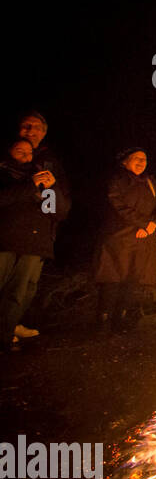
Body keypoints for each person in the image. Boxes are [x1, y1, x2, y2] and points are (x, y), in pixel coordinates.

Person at [93, 148, 156, 333]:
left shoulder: (150, 181)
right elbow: (117, 204)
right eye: (136, 158)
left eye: (144, 159)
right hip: (119, 237)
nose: (141, 162)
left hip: (144, 239)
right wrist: (144, 224)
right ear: (124, 162)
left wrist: (152, 225)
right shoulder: (116, 180)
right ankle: (103, 322)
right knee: (113, 279)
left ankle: (122, 320)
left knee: (133, 279)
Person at [1, 140, 67, 349]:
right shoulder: (4, 174)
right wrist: (29, 185)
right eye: (20, 151)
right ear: (8, 152)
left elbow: (55, 212)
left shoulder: (39, 180)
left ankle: (4, 336)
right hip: (5, 242)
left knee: (19, 293)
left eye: (30, 153)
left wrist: (52, 188)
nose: (26, 156)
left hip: (34, 244)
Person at [14, 111, 67, 340]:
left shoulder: (50, 161)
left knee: (28, 284)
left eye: (36, 127)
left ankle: (12, 323)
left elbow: (56, 202)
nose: (30, 131)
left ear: (44, 133)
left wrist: (51, 205)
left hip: (39, 233)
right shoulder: (10, 157)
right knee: (9, 283)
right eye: (26, 126)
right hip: (10, 231)